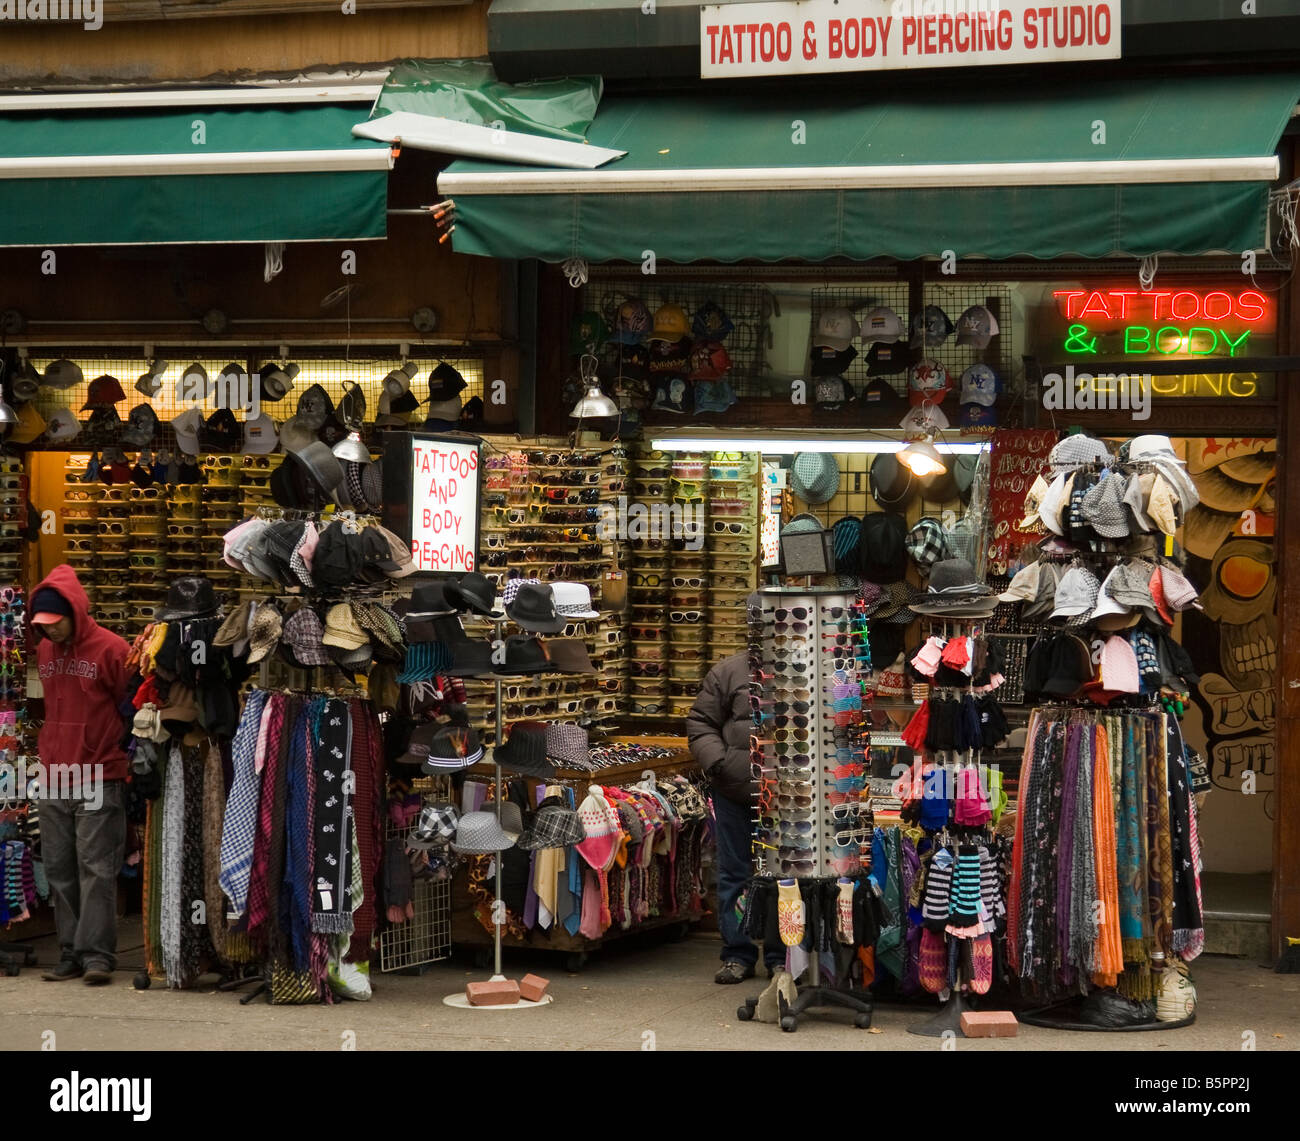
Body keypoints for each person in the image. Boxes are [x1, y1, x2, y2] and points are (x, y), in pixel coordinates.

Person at [32, 565, 130, 985]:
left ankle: (97, 956)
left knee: (96, 867)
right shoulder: (44, 651)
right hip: (54, 773)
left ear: (75, 610)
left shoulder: (111, 649)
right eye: (43, 625)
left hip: (98, 773)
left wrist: (115, 753)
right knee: (59, 867)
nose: (50, 632)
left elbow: (133, 705)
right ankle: (71, 950)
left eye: (56, 623)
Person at [687, 643, 783, 984]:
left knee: (782, 876)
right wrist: (720, 764)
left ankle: (779, 956)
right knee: (733, 872)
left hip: (787, 795)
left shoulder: (805, 668)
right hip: (734, 790)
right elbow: (701, 723)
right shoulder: (729, 671)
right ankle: (738, 954)